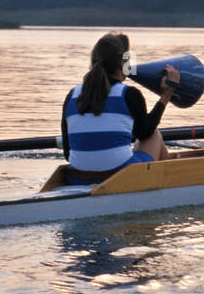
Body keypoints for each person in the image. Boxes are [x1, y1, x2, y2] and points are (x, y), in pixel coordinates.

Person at [60, 32, 177, 184]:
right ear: (124, 64)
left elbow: (68, 153)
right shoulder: (129, 94)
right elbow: (145, 133)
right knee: (154, 134)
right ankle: (168, 186)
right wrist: (167, 93)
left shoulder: (72, 95)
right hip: (120, 178)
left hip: (77, 178)